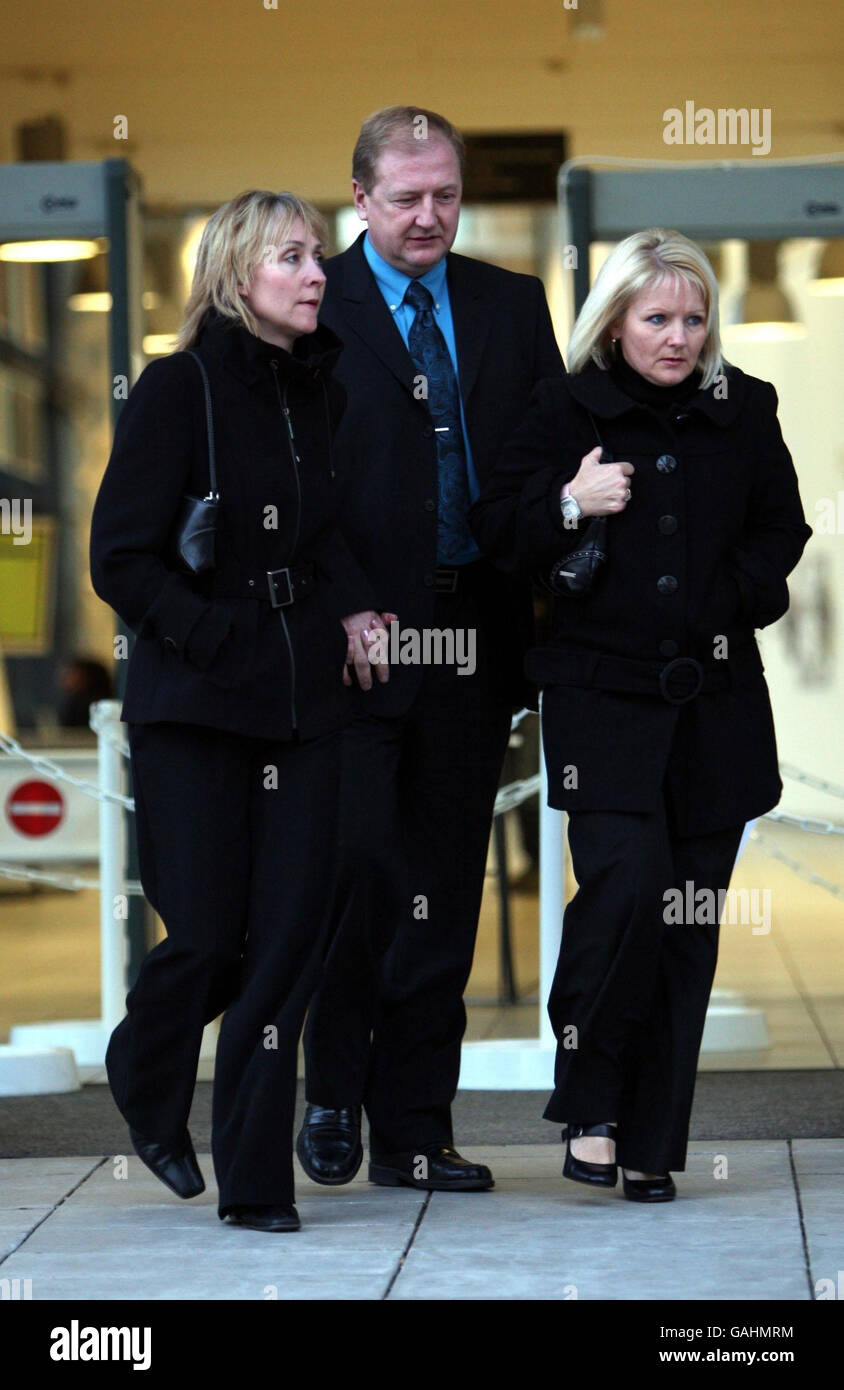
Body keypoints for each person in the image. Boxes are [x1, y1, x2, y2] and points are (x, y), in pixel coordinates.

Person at [470, 228, 811, 1202]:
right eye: (656, 317)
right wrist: (572, 503)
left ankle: (654, 1138)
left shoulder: (743, 408)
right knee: (625, 892)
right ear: (614, 319)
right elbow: (499, 532)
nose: (676, 335)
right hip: (601, 703)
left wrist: (731, 597)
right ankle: (592, 1107)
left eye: (693, 317)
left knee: (685, 922)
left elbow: (779, 527)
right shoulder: (561, 407)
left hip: (715, 708)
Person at [90, 190, 386, 1233]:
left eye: (315, 255)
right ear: (235, 277)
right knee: (211, 935)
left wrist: (353, 609)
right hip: (196, 707)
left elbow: (326, 535)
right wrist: (219, 640)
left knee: (287, 944)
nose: (317, 274)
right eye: (293, 258)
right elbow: (118, 557)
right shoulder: (179, 389)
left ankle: (257, 1181)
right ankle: (145, 1061)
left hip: (304, 698)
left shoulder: (322, 394)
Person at [296, 106, 565, 1192]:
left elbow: (544, 458)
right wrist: (347, 607)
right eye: (404, 198)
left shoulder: (509, 304)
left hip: (474, 636)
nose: (428, 216)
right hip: (359, 640)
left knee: (443, 895)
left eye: (444, 194)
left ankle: (414, 1129)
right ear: (358, 198)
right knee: (357, 877)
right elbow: (295, 482)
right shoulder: (313, 302)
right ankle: (329, 1092)